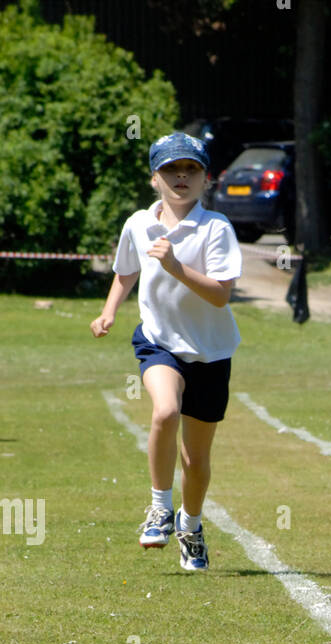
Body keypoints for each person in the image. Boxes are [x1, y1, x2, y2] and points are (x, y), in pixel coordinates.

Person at [89, 132, 241, 571]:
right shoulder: (138, 223)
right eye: (171, 169)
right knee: (163, 412)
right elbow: (125, 272)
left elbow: (220, 296)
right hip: (158, 340)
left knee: (196, 460)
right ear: (154, 177)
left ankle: (190, 527)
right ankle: (159, 505)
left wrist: (176, 266)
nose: (181, 176)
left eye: (191, 169)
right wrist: (109, 313)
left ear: (205, 178)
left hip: (211, 352)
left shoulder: (217, 228)